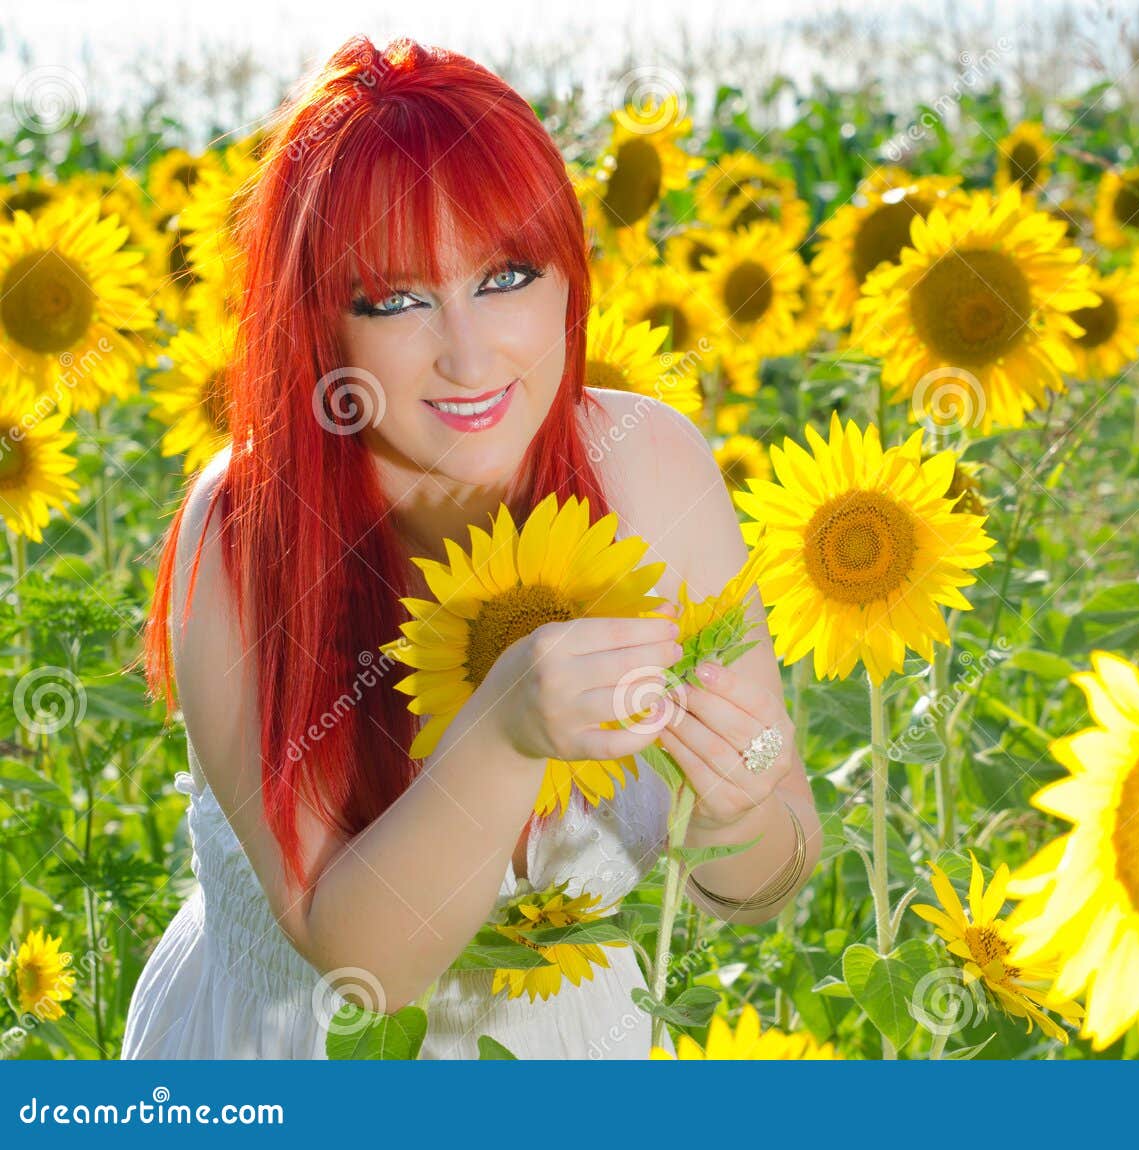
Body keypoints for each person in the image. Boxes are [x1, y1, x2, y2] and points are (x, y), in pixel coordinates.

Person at [121, 35, 820, 1059]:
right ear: (318, 324)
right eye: (396, 299)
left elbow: (767, 875)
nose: (469, 351)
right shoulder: (240, 532)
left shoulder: (647, 465)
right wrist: (503, 729)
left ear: (568, 274)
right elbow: (366, 969)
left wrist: (740, 798)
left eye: (507, 275)